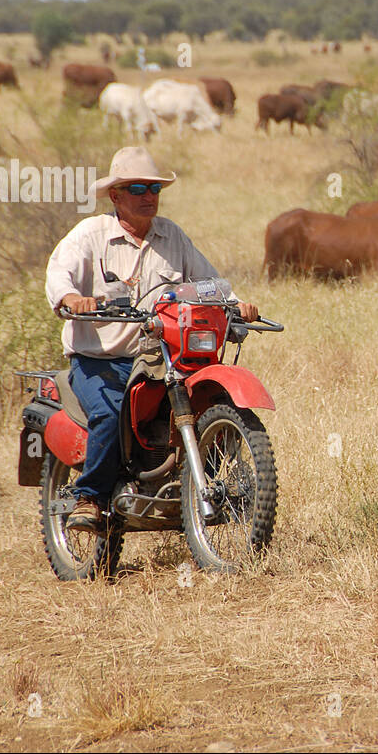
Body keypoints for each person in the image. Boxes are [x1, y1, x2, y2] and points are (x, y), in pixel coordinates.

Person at [44, 146, 258, 534]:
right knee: (109, 415)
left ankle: (196, 487)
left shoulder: (172, 237)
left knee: (213, 398)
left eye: (154, 189)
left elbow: (208, 283)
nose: (148, 196)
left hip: (161, 358)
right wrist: (72, 298)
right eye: (138, 188)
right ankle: (89, 497)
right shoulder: (90, 235)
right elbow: (59, 274)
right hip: (100, 360)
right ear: (115, 196)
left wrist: (235, 304)